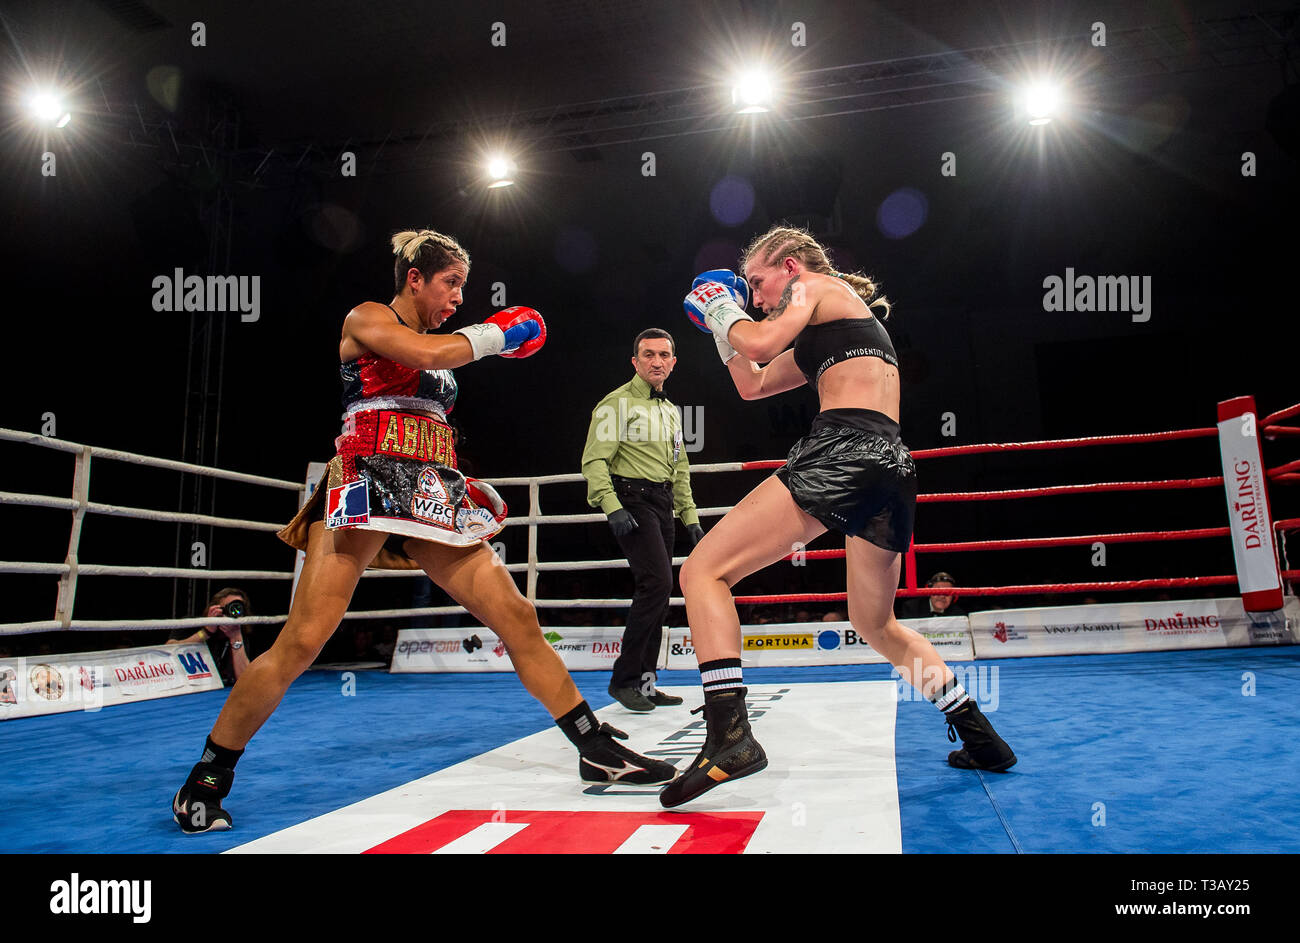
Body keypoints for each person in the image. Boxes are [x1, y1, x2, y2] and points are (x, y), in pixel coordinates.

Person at [170, 229, 675, 834]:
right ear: (415, 279)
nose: (459, 297)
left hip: (430, 486)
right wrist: (497, 334)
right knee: (301, 642)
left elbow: (436, 371)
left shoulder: (438, 341)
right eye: (451, 283)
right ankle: (208, 776)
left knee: (517, 616)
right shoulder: (367, 318)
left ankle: (594, 747)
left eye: (463, 286)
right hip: (364, 481)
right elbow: (427, 356)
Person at [662, 227, 1016, 808]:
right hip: (891, 467)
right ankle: (982, 738)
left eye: (756, 281)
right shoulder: (825, 328)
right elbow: (753, 382)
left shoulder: (816, 286)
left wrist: (722, 308)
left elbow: (758, 341)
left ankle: (730, 736)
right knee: (876, 624)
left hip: (844, 451)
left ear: (790, 266)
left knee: (702, 572)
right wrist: (721, 331)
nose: (753, 296)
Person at [581, 329, 701, 711]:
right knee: (657, 583)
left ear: (673, 362)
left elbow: (680, 467)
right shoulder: (615, 403)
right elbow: (594, 460)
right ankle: (624, 680)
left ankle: (646, 684)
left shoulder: (671, 410)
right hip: (632, 499)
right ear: (635, 361)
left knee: (660, 592)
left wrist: (690, 516)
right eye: (649, 354)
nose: (656, 361)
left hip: (662, 503)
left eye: (664, 355)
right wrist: (611, 505)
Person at [167, 587, 254, 685]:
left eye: (238, 609)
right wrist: (206, 632)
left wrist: (235, 638)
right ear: (215, 609)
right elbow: (168, 649)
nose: (233, 613)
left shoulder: (239, 634)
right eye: (228, 608)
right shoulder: (191, 623)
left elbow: (246, 681)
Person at [899, 571, 966, 619]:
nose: (942, 596)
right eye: (938, 591)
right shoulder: (912, 608)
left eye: (947, 593)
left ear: (953, 597)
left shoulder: (959, 615)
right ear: (929, 591)